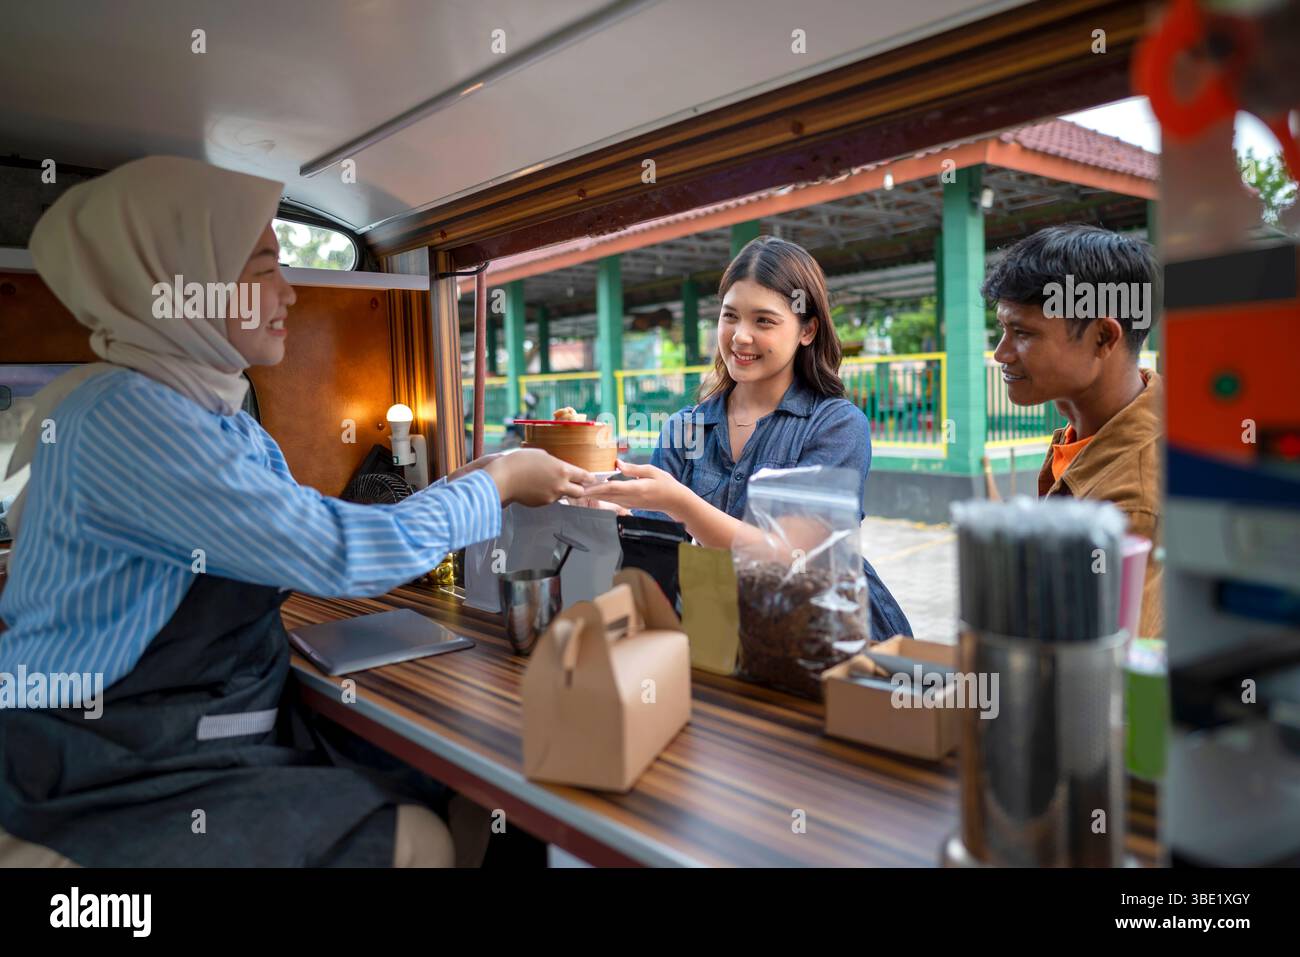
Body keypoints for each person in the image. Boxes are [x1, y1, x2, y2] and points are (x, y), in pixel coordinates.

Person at [0, 156, 592, 867]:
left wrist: (474, 478)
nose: (288, 293)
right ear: (183, 283)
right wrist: (495, 483)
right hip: (103, 761)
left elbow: (303, 524)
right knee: (419, 836)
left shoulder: (218, 417)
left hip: (188, 727)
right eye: (260, 269)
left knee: (437, 788)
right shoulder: (131, 418)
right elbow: (337, 552)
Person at [582, 236, 912, 642]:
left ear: (807, 329)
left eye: (764, 321)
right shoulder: (686, 427)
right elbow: (655, 549)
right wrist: (605, 512)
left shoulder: (837, 425)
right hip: (723, 634)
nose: (739, 336)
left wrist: (680, 502)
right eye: (730, 316)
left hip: (827, 641)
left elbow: (796, 561)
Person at [982, 224, 1163, 636]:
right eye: (1003, 329)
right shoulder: (1086, 433)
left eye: (1023, 333)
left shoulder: (1132, 499)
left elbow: (1097, 669)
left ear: (1103, 337)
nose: (1001, 353)